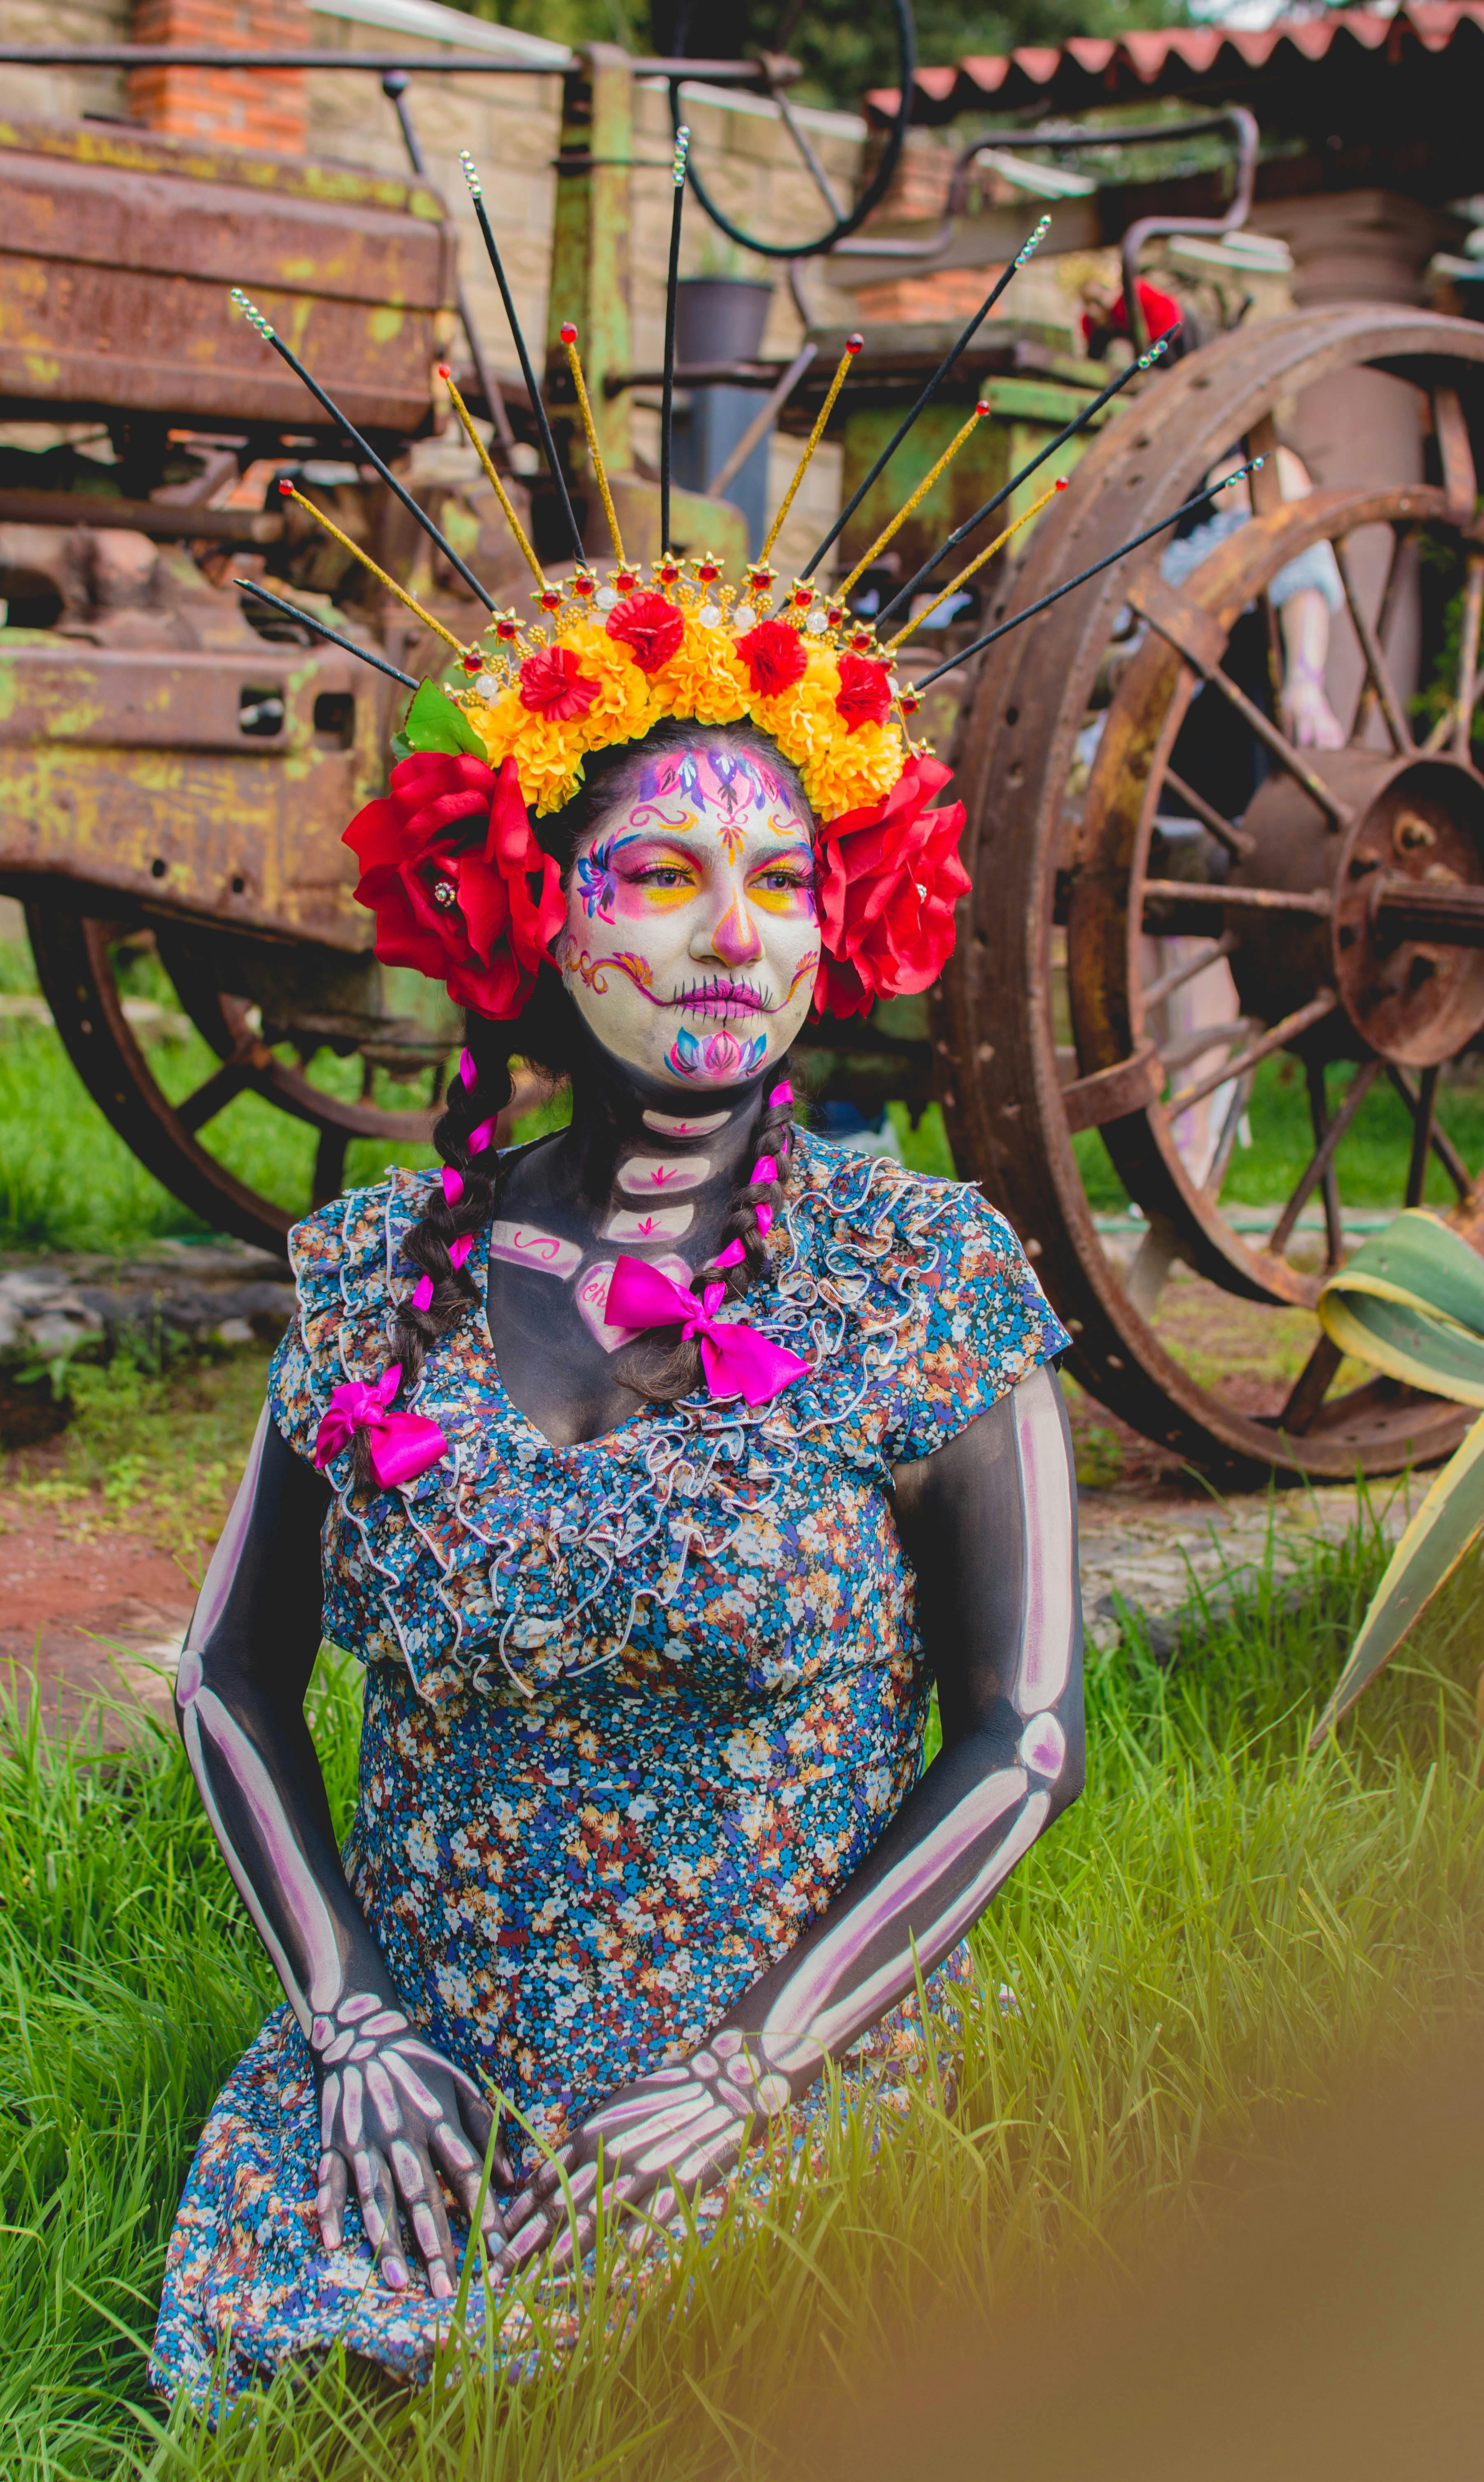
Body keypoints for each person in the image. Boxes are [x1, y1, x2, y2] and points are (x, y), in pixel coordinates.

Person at [148, 553, 1086, 2408]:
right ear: (532, 915)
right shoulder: (379, 1280)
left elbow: (1025, 1733)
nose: (735, 933)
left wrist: (744, 2073)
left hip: (785, 2051)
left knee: (698, 2389)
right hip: (425, 2056)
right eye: (661, 875)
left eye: (781, 879)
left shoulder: (922, 1277)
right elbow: (225, 1679)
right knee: (334, 2385)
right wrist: (351, 2025)